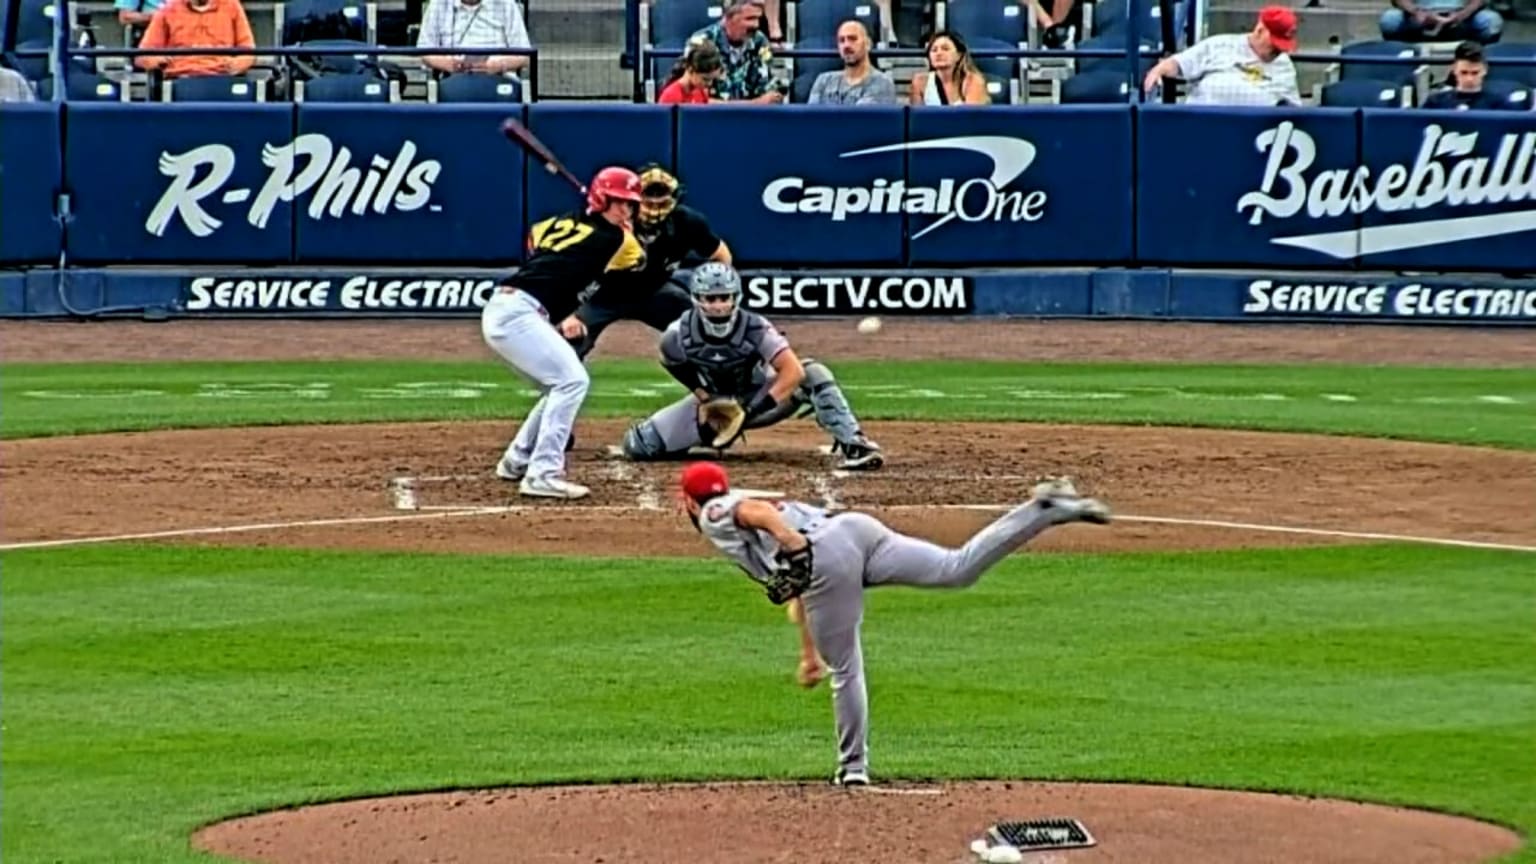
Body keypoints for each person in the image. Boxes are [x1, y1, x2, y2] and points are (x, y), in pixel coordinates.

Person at [678, 461, 1112, 785]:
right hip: (854, 531)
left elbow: (755, 514)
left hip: (824, 553)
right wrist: (808, 653)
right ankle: (1044, 509)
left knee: (846, 667)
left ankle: (853, 769)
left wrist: (792, 546)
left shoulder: (714, 512)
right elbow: (799, 592)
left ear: (687, 501)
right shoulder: (734, 505)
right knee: (955, 568)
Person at [619, 262, 884, 472]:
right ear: (696, 298)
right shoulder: (677, 333)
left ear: (736, 297)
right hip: (715, 403)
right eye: (710, 299)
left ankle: (855, 445)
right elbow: (671, 362)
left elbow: (793, 371)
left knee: (814, 372)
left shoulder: (756, 327)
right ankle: (702, 437)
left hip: (759, 397)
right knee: (640, 445)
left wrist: (748, 411)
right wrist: (704, 396)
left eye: (724, 297)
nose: (718, 305)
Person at [484, 166, 646, 500]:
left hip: (511, 308)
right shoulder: (615, 238)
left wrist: (590, 218)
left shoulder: (558, 223)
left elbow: (534, 238)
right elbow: (638, 257)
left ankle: (517, 459)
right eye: (618, 202)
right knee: (572, 381)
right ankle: (543, 473)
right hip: (519, 313)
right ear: (601, 199)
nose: (625, 210)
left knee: (560, 381)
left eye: (629, 205)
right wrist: (614, 228)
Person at [568, 165, 731, 360]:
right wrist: (567, 314)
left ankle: (716, 387)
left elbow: (722, 255)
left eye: (660, 194)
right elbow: (570, 267)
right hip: (601, 295)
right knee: (566, 346)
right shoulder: (607, 220)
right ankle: (560, 388)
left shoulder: (687, 222)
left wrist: (718, 295)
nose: (654, 202)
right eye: (649, 194)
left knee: (709, 332)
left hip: (655, 292)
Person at [1141, 5, 1301, 107]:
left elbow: (1293, 111)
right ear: (1259, 30)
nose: (1278, 50)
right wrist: (1158, 71)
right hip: (1202, 126)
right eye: (1274, 44)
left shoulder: (1283, 65)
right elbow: (1179, 63)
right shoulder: (1219, 45)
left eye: (1282, 46)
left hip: (1254, 140)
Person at [688, 0, 784, 103]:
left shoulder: (760, 41)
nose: (756, 25)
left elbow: (769, 92)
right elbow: (694, 99)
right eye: (750, 18)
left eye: (758, 19)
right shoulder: (700, 41)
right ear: (728, 19)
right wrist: (755, 103)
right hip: (710, 117)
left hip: (753, 117)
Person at [807, 19, 899, 105]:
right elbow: (811, 118)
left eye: (852, 39)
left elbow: (858, 120)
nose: (846, 45)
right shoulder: (823, 80)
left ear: (868, 44)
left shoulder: (882, 82)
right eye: (842, 41)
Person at [1422, 40, 1524, 109]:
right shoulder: (1436, 101)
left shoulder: (1499, 104)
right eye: (1464, 72)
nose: (1469, 79)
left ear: (1485, 70)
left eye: (1475, 73)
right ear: (1454, 69)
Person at [908, 29, 991, 106]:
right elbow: (916, 118)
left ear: (959, 55)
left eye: (945, 49)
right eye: (934, 50)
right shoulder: (920, 82)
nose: (939, 53)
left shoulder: (972, 81)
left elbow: (971, 118)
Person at [1380, 0, 1501, 45]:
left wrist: (1461, 15)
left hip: (1462, 19)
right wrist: (1416, 12)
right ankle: (1400, 61)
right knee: (1390, 19)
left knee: (1491, 21)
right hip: (1419, 18)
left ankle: (1479, 64)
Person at [658, 40, 724, 104]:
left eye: (712, 79)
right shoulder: (670, 97)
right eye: (705, 79)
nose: (710, 84)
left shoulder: (700, 90)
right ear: (690, 69)